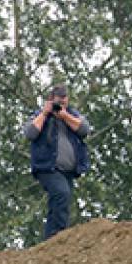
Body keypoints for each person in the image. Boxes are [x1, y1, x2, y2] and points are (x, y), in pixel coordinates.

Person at [24, 82, 90, 240]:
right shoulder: (40, 115)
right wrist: (45, 113)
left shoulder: (73, 114)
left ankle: (51, 240)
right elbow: (30, 133)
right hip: (47, 168)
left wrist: (64, 116)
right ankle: (59, 237)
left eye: (64, 98)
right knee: (61, 193)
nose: (61, 102)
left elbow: (84, 129)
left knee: (61, 203)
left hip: (68, 171)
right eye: (58, 99)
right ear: (50, 99)